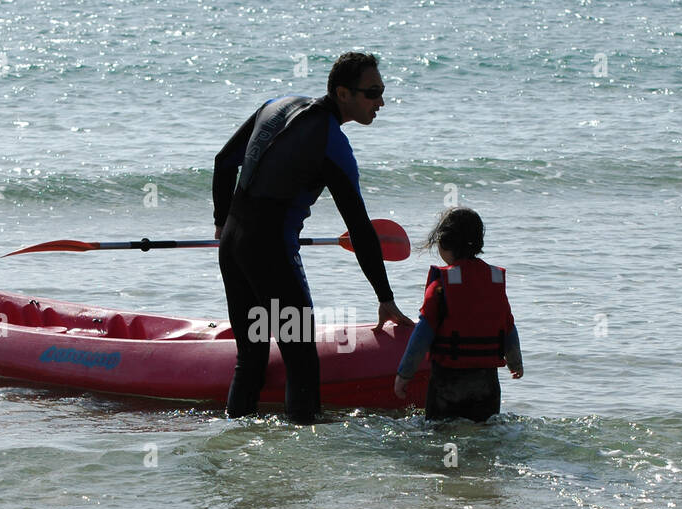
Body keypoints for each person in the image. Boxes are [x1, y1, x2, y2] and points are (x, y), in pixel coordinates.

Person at [213, 52, 412, 423]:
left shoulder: (276, 105)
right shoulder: (331, 143)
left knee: (251, 356)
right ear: (342, 93)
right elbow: (359, 228)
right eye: (372, 93)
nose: (380, 102)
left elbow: (224, 161)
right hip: (270, 254)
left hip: (234, 248)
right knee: (301, 358)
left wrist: (222, 223)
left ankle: (233, 443)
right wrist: (385, 298)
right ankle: (302, 459)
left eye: (382, 91)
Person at [393, 207, 523, 421]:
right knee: (483, 434)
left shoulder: (441, 285)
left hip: (448, 382)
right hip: (486, 383)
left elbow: (422, 335)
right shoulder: (494, 280)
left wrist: (404, 374)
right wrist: (516, 363)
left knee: (440, 433)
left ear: (443, 242)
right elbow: (509, 327)